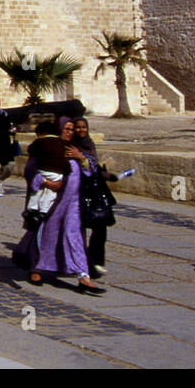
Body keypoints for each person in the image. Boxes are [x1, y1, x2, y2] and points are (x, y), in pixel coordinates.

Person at [14, 117, 104, 295]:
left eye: (72, 129)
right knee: (46, 234)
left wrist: (82, 158)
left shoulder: (78, 149)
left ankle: (83, 277)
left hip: (74, 203)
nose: (70, 132)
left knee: (75, 236)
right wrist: (46, 182)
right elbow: (30, 170)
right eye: (67, 129)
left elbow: (93, 171)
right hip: (53, 202)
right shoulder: (47, 147)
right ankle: (36, 268)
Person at [71, 116, 116, 277]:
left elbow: (93, 166)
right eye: (78, 127)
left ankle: (96, 260)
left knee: (100, 226)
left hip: (94, 191)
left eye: (83, 127)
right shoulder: (71, 146)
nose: (81, 130)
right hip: (78, 191)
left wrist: (106, 174)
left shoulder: (89, 144)